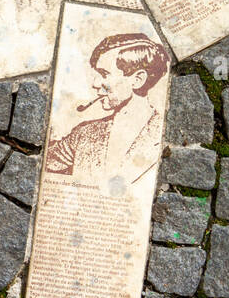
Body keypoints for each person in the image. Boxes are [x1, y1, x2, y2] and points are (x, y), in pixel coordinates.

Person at [46, 32, 168, 184]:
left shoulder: (166, 135)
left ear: (137, 80)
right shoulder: (84, 134)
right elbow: (44, 162)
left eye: (104, 74)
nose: (96, 83)